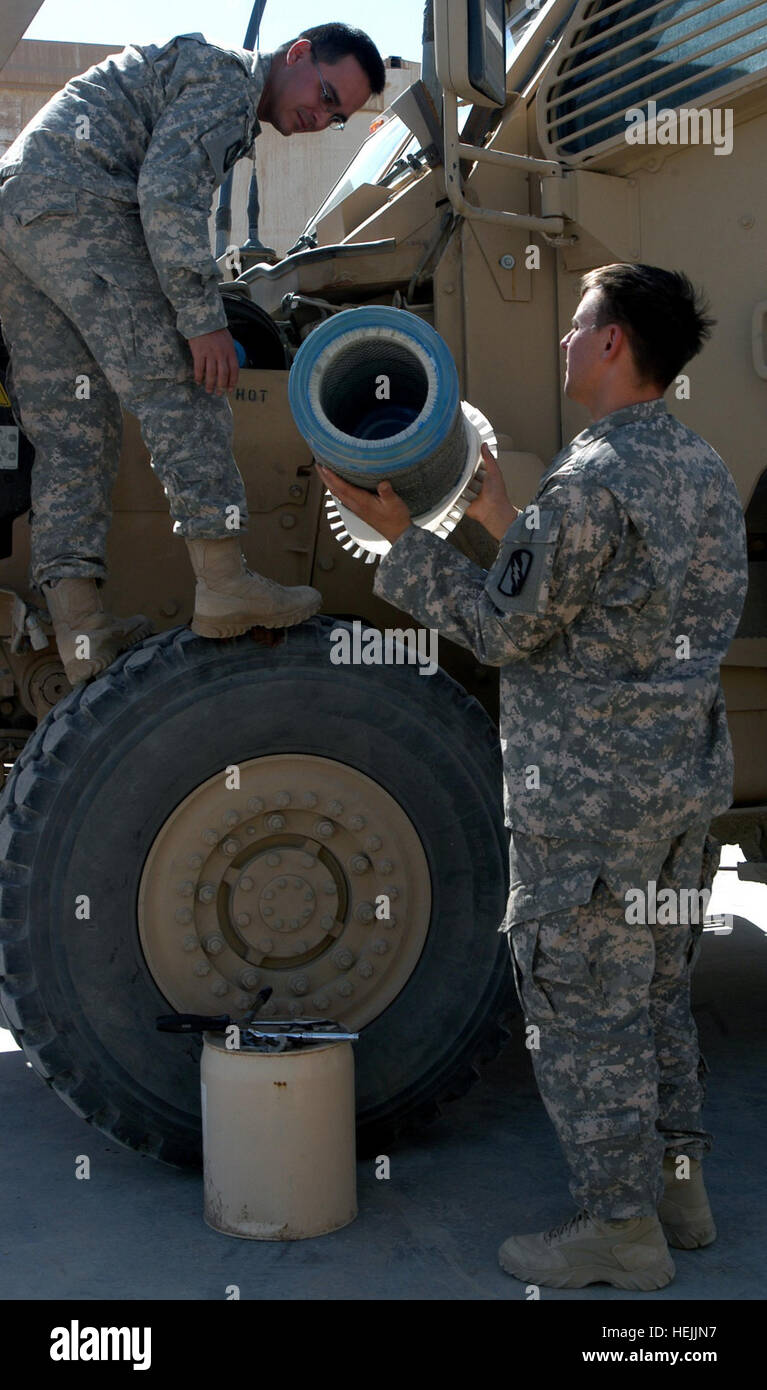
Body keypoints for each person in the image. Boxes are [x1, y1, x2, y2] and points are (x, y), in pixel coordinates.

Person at [317, 263, 748, 1291]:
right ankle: (677, 1195)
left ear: (611, 343)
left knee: (581, 1007)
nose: (563, 341)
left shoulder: (589, 479)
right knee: (653, 995)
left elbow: (509, 627)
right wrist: (503, 514)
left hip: (587, 804)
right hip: (677, 786)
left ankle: (617, 1230)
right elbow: (597, 599)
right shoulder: (700, 467)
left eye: (577, 323)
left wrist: (399, 545)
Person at [0, 24, 385, 684]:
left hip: (20, 214)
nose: (320, 119)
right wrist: (202, 321)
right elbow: (168, 194)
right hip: (80, 202)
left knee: (74, 430)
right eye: (324, 96)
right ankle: (225, 583)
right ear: (296, 54)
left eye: (337, 117)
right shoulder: (228, 81)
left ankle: (81, 633)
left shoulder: (202, 78)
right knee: (188, 386)